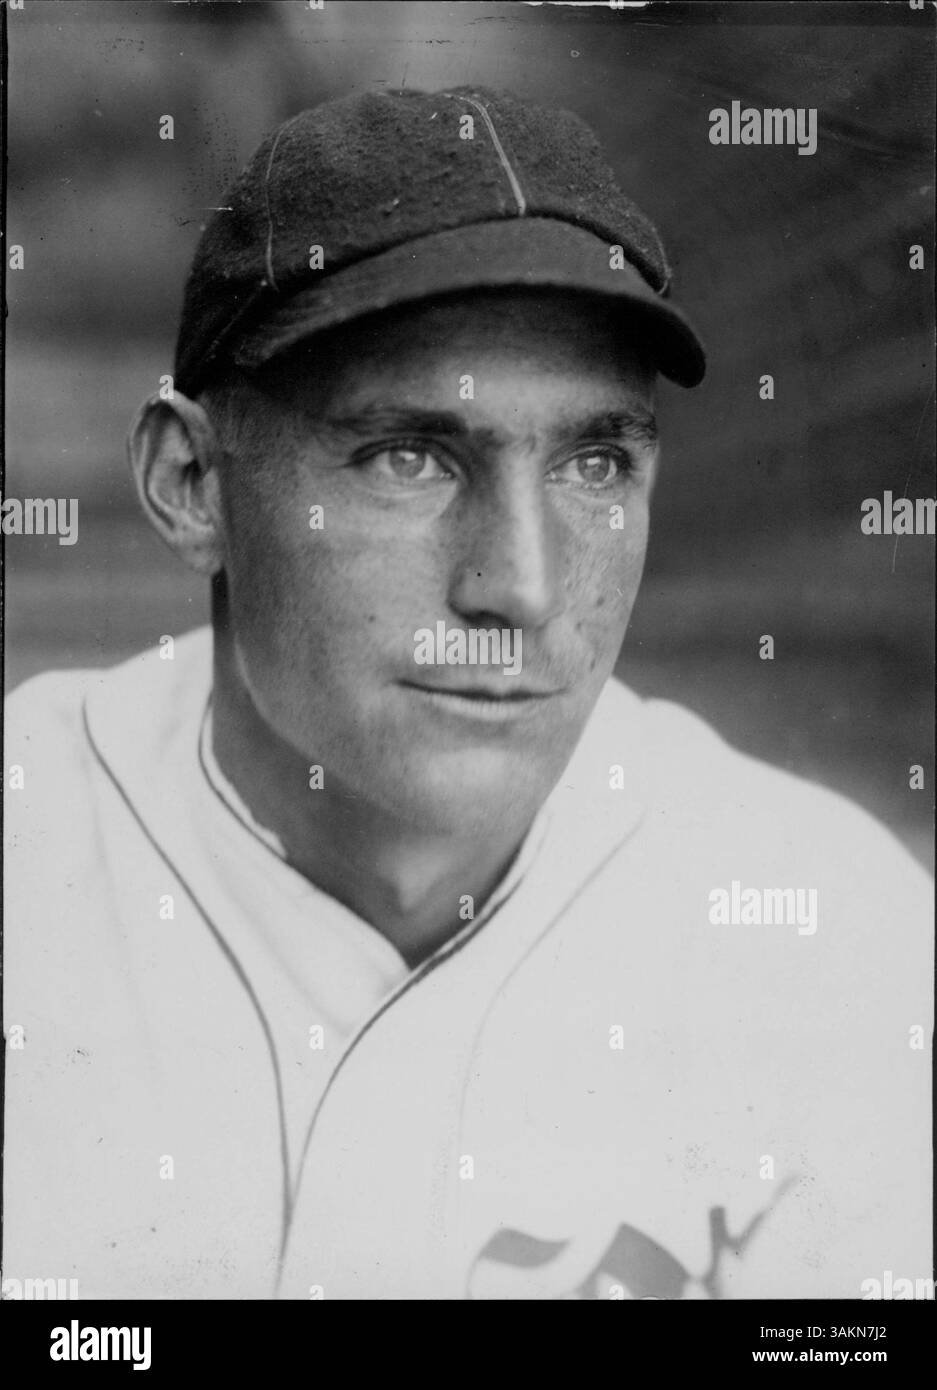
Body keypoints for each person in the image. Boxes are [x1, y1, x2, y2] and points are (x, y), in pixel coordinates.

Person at [3, 87, 931, 1301]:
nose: (526, 590)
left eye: (596, 462)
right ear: (191, 481)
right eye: (409, 457)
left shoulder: (840, 941)